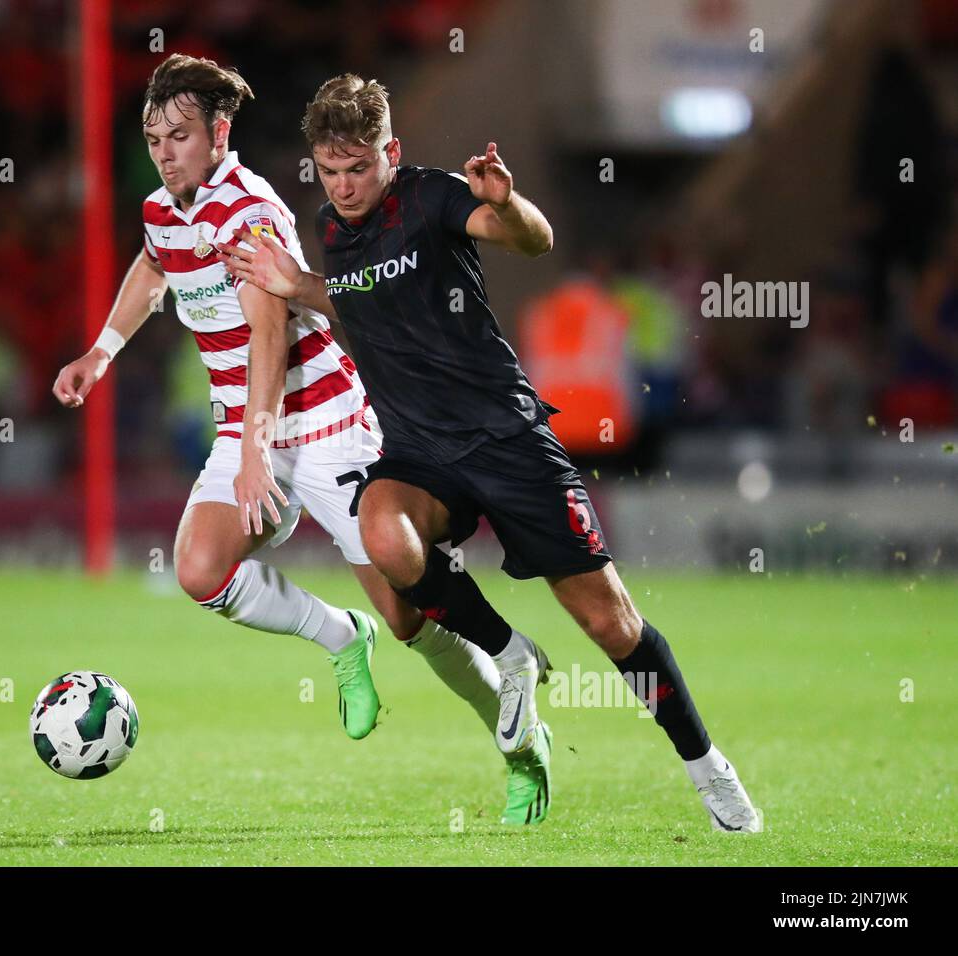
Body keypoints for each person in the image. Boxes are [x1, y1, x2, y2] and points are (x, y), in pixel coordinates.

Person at [217, 74, 761, 831]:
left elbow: (531, 241)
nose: (343, 186)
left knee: (612, 626)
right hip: (420, 452)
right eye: (330, 170)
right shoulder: (333, 230)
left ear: (391, 153)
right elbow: (369, 298)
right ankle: (508, 655)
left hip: (506, 440)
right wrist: (299, 282)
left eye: (359, 167)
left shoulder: (434, 197)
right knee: (381, 532)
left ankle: (710, 771)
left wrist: (506, 203)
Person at [56, 58, 545, 828]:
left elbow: (270, 331)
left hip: (327, 423)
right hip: (246, 426)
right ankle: (338, 638)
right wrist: (102, 351)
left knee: (415, 620)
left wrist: (256, 451)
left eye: (179, 135)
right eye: (154, 137)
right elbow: (154, 267)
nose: (165, 151)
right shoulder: (162, 209)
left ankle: (521, 749)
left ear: (220, 133)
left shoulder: (247, 209)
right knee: (199, 569)